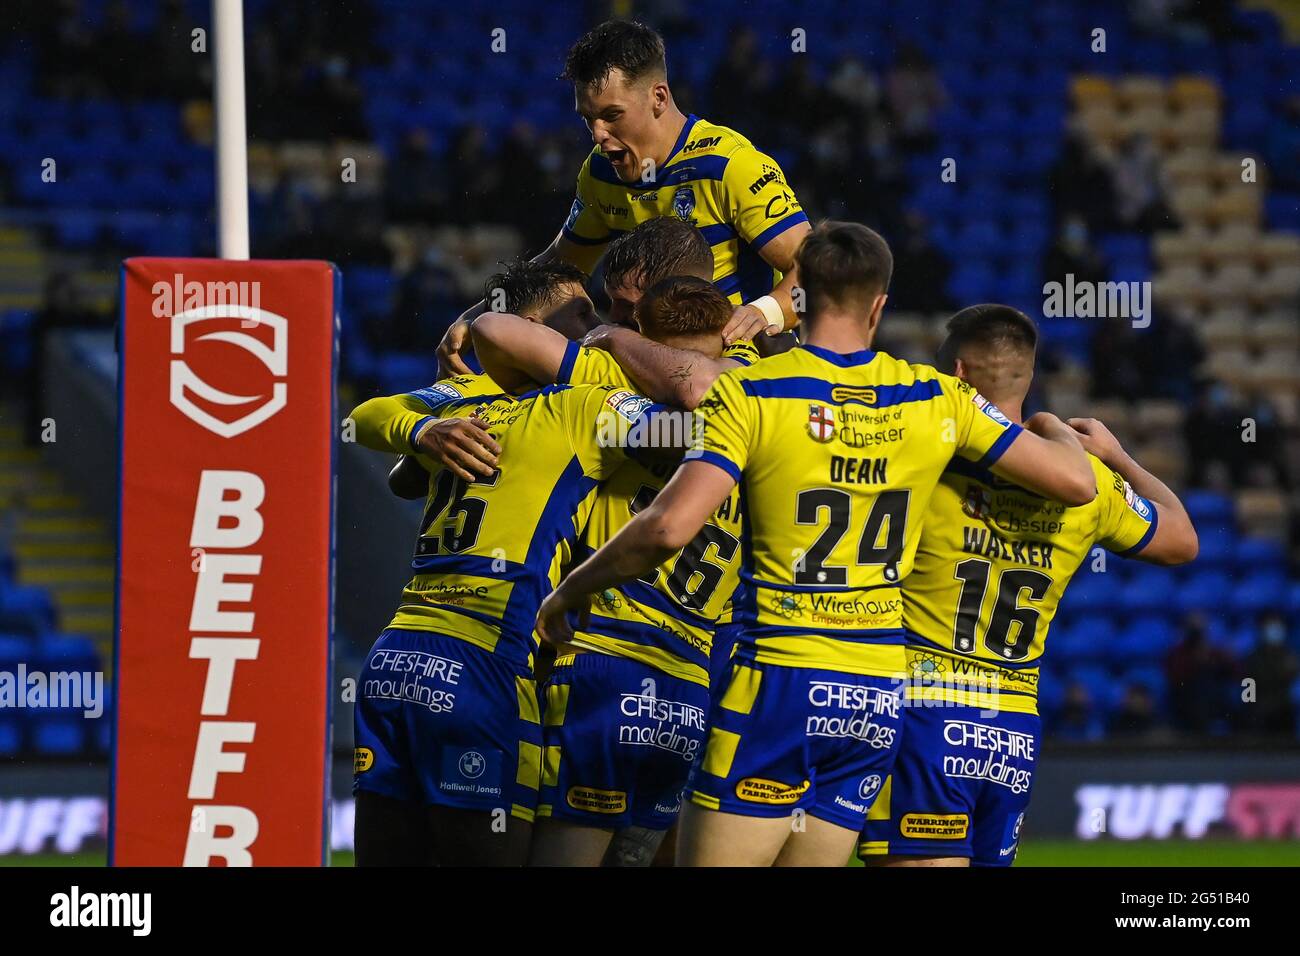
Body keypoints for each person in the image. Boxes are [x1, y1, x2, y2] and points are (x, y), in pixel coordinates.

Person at [535, 222, 1098, 866]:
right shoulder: (938, 397)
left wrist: (567, 593)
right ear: (880, 303)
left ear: (799, 298)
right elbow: (1076, 482)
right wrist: (1057, 425)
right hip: (873, 691)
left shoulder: (752, 393)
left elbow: (667, 527)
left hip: (779, 677)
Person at [859, 304, 1197, 868]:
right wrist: (1118, 456)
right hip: (1010, 731)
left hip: (924, 709)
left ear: (958, 375)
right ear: (1028, 378)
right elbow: (1183, 540)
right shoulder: (1095, 487)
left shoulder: (924, 458)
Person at [476, 277, 744, 866]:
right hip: (688, 684)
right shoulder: (763, 413)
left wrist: (612, 338)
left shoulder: (612, 389)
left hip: (605, 662)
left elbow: (493, 329)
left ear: (648, 339)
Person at [436, 19, 811, 376]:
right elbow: (560, 266)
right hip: (646, 367)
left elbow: (815, 271)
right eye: (588, 118)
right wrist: (481, 313)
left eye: (612, 115)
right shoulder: (600, 171)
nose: (598, 134)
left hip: (732, 367)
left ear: (658, 97)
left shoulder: (730, 165)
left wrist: (765, 312)